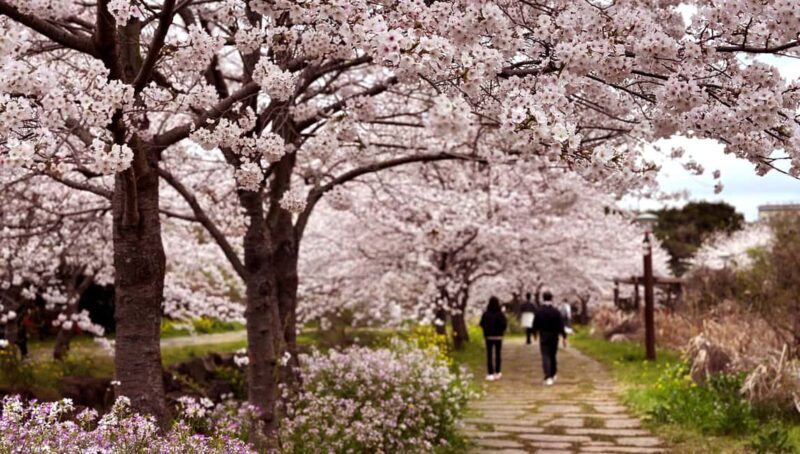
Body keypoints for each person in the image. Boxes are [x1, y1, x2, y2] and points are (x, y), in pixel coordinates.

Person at [532, 291, 568, 386]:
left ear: (543, 298)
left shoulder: (539, 311)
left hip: (544, 335)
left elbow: (535, 323)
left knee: (545, 355)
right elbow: (561, 324)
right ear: (551, 298)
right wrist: (564, 336)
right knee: (553, 355)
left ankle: (548, 376)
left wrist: (534, 333)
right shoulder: (556, 311)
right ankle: (553, 373)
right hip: (554, 336)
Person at [479, 296, 507, 381]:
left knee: (489, 355)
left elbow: (481, 324)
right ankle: (498, 372)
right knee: (498, 354)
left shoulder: (486, 314)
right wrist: (501, 331)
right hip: (498, 337)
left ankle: (490, 373)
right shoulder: (500, 314)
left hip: (489, 337)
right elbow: (504, 324)